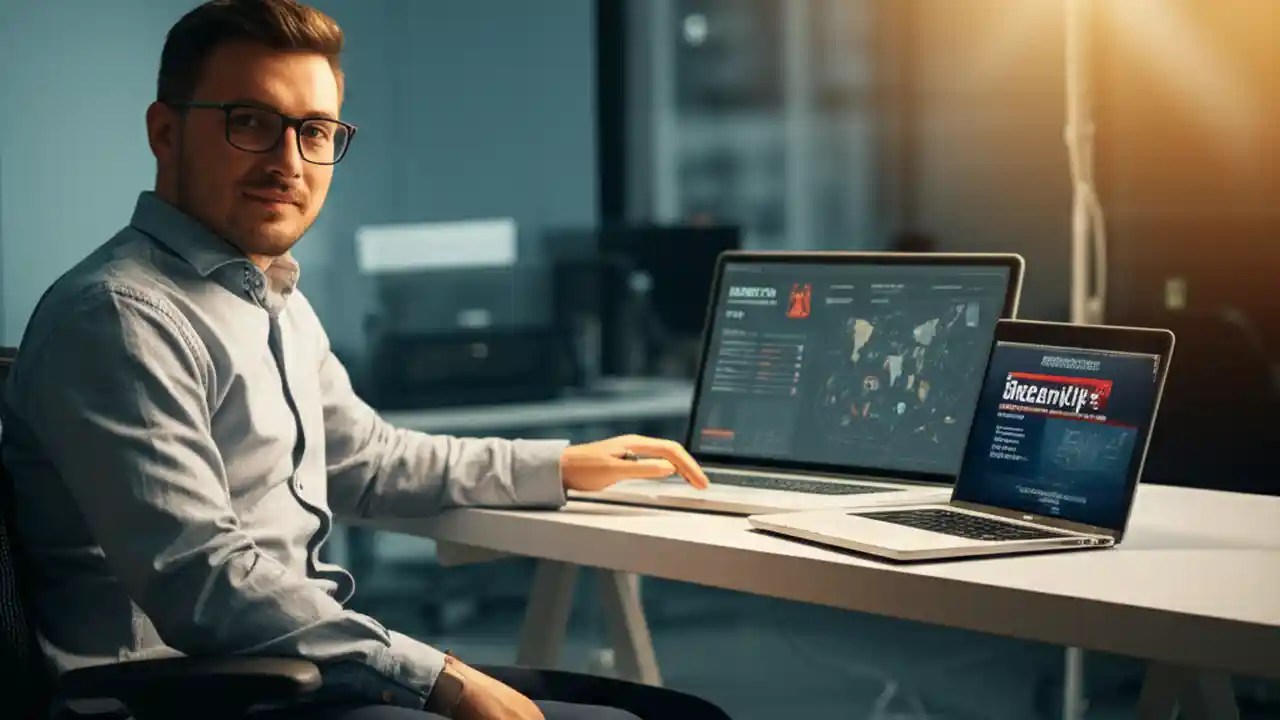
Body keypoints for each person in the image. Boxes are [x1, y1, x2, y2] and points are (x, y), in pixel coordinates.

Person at [0, 2, 726, 719]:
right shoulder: (121, 317)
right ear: (165, 132)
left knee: (676, 714)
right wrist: (440, 677)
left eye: (314, 130)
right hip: (183, 697)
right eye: (250, 122)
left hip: (295, 672)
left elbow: (370, 461)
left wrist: (559, 465)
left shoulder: (271, 297)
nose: (288, 162)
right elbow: (203, 582)